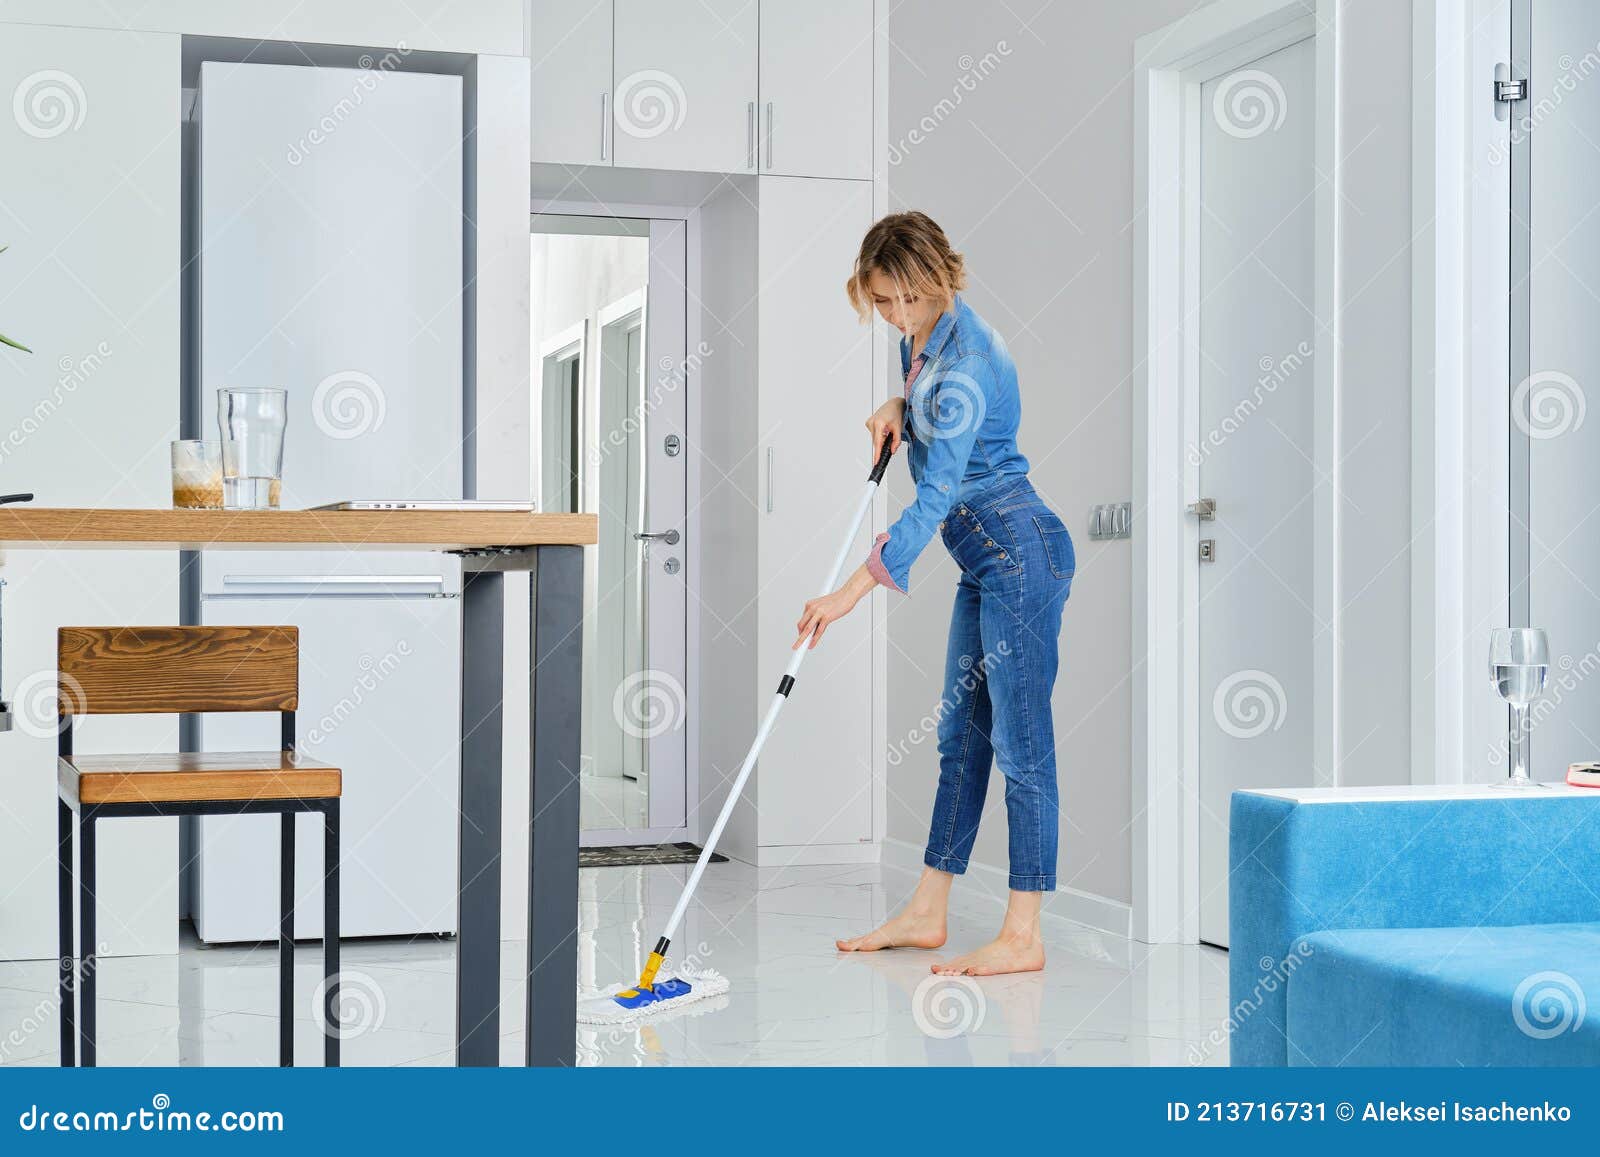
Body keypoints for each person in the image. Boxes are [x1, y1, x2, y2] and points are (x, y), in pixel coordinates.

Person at [792, 211, 1075, 977]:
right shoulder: (921, 337)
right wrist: (895, 409)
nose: (896, 316)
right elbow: (921, 409)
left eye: (906, 300)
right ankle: (927, 909)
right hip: (985, 559)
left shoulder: (969, 363)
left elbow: (935, 496)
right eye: (882, 302)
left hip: (1019, 551)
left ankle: (1024, 932)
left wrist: (851, 589)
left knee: (1021, 746)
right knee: (959, 737)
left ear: (940, 278)